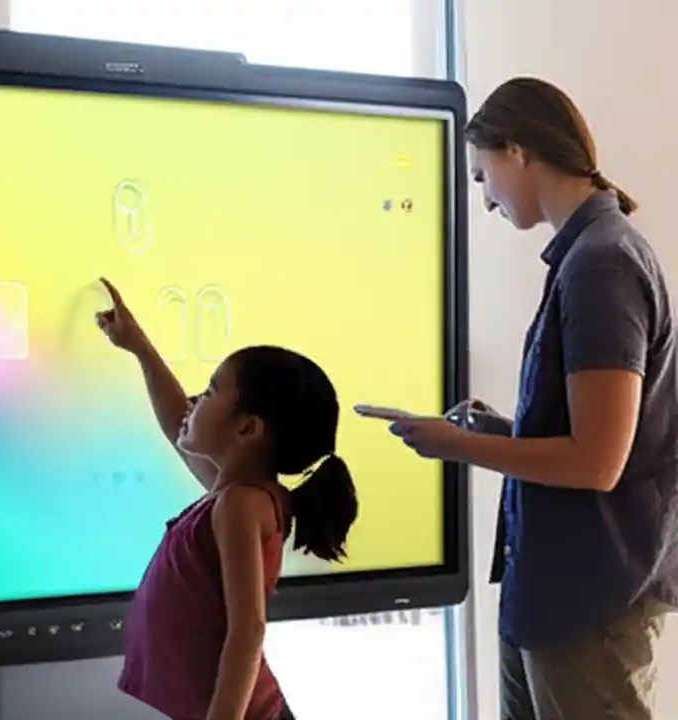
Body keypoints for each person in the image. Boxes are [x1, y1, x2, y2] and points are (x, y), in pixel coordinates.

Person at [364, 77, 678, 720]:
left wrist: (459, 445)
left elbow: (598, 463)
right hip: (557, 592)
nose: (484, 199)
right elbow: (596, 434)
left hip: (590, 596)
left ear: (518, 151)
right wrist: (497, 428)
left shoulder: (603, 264)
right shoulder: (587, 256)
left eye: (482, 175)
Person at [97, 278, 359, 720]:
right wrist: (139, 347)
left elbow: (248, 628)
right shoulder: (232, 495)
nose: (196, 400)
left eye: (212, 390)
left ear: (247, 430)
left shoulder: (242, 506)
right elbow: (175, 423)